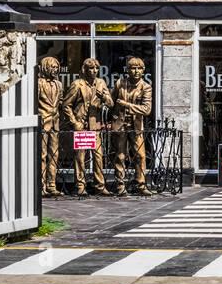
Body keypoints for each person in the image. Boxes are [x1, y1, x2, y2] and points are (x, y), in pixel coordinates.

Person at [62, 57, 112, 195]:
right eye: (91, 68)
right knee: (80, 157)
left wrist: (104, 98)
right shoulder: (78, 84)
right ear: (85, 69)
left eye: (96, 68)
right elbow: (66, 105)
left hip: (94, 125)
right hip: (81, 125)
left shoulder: (101, 83)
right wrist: (74, 122)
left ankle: (100, 185)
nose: (94, 71)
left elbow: (111, 103)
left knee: (98, 156)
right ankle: (80, 185)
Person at [111, 57, 154, 196]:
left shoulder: (146, 87)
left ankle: (140, 184)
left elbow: (146, 110)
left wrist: (126, 105)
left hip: (136, 125)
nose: (136, 71)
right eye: (133, 68)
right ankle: (120, 185)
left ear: (143, 70)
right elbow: (111, 102)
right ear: (128, 70)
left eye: (139, 68)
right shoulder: (120, 84)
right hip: (121, 124)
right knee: (120, 156)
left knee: (140, 156)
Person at [37, 57, 64, 197]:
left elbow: (60, 101)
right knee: (42, 155)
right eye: (52, 67)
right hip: (43, 122)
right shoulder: (39, 83)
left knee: (54, 154)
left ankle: (51, 184)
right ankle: (41, 186)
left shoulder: (59, 84)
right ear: (45, 67)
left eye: (56, 67)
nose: (55, 70)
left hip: (55, 123)